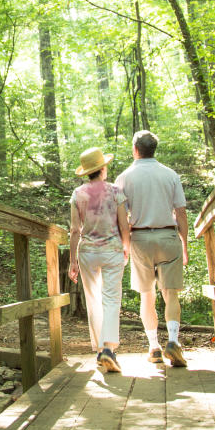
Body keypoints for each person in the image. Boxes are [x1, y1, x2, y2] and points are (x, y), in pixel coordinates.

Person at [114, 130, 189, 367]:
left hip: (140, 239)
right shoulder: (170, 175)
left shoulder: (124, 178)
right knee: (171, 293)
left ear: (135, 149)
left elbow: (121, 219)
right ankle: (173, 341)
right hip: (168, 236)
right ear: (154, 149)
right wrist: (185, 244)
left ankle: (154, 347)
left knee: (147, 294)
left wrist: (125, 246)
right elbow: (181, 213)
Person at [67, 147, 131, 374]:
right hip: (112, 249)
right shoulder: (115, 191)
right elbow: (124, 224)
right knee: (111, 299)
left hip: (88, 252)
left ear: (87, 172)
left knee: (93, 300)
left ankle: (100, 350)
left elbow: (75, 230)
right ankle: (108, 350)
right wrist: (126, 248)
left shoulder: (78, 194)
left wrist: (72, 261)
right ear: (102, 169)